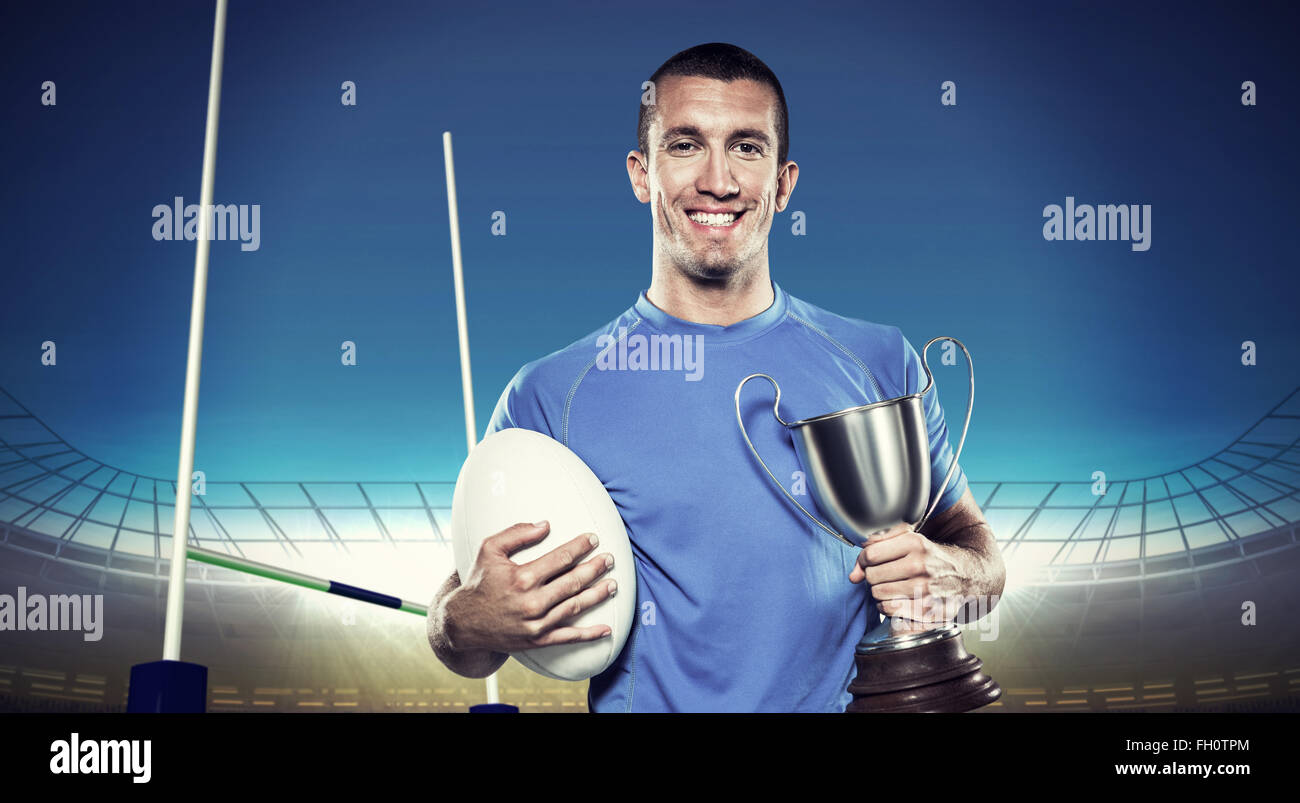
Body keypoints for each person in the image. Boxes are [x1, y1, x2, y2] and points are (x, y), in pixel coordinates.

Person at [427, 42, 1005, 712]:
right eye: (685, 145)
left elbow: (980, 564)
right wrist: (465, 621)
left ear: (784, 183)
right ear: (641, 174)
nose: (718, 180)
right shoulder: (551, 393)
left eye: (747, 147)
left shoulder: (881, 361)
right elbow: (465, 632)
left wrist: (952, 574)